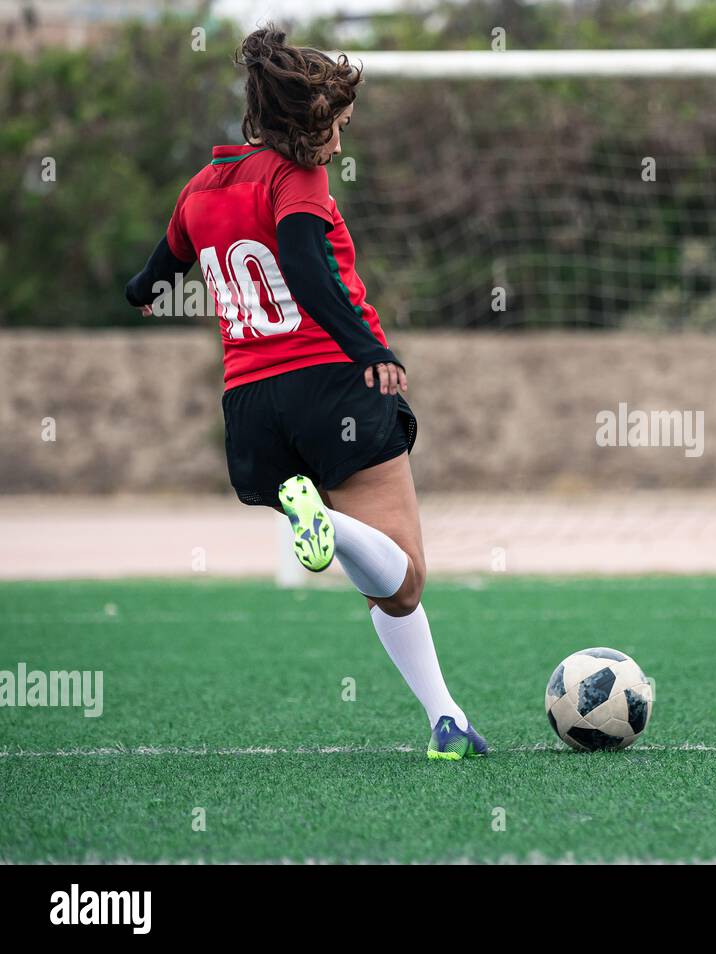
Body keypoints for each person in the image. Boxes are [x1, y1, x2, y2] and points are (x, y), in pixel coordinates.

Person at [125, 27, 486, 759]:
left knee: (381, 585)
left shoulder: (198, 189)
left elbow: (147, 285)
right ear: (309, 122)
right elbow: (304, 264)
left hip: (252, 410)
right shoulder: (296, 175)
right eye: (340, 129)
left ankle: (445, 719)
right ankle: (319, 515)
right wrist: (370, 349)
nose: (341, 148)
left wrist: (163, 290)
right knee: (406, 578)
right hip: (332, 387)